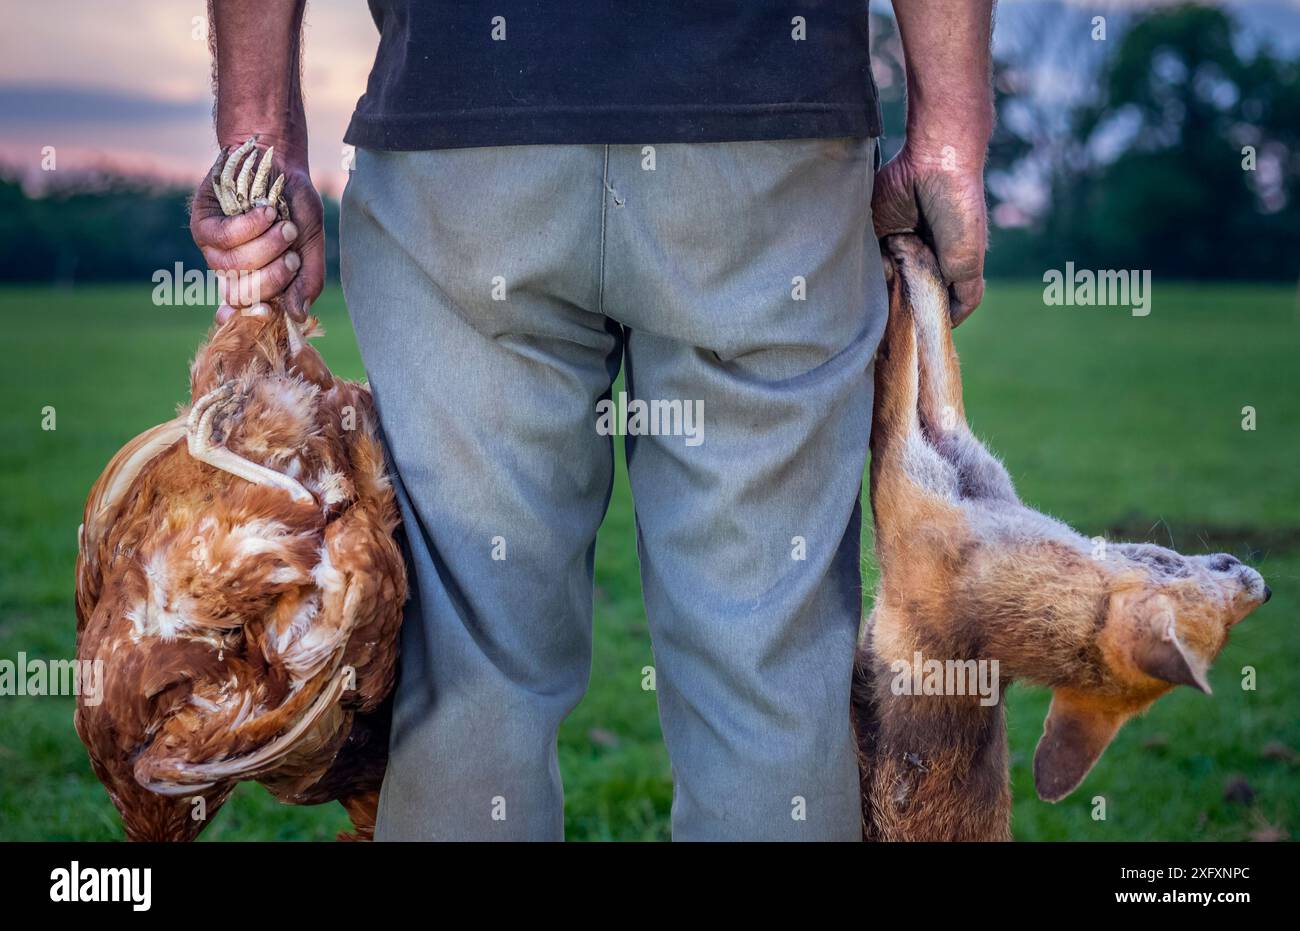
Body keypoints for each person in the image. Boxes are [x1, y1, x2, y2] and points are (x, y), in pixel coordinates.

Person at [192, 0, 994, 841]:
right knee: (767, 672)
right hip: (765, 141)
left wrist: (261, 140)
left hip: (464, 132)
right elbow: (943, 132)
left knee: (469, 669)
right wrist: (948, 136)